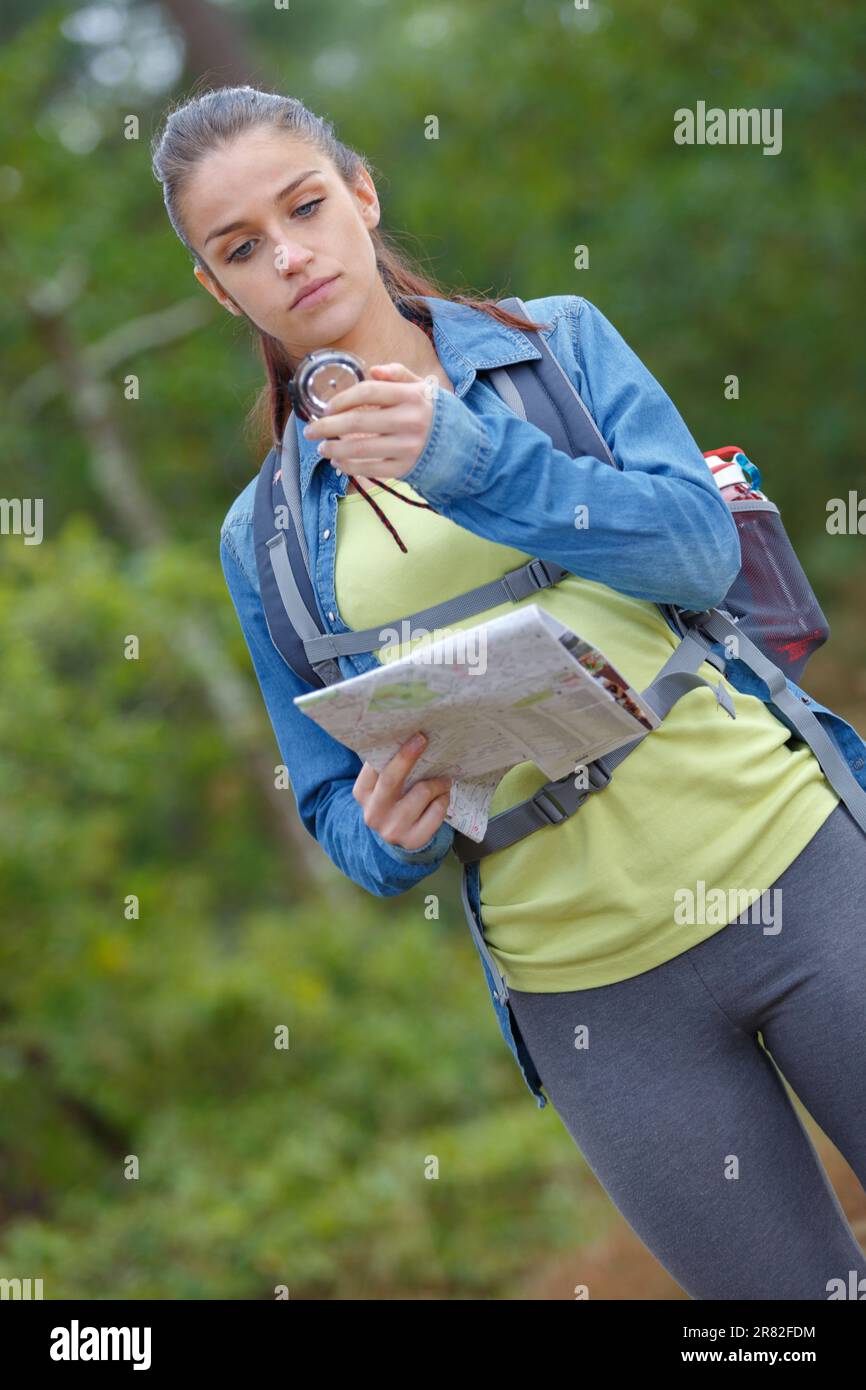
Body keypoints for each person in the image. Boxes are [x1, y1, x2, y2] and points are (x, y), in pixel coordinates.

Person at [152, 85, 866, 1300]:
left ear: (363, 195)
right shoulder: (262, 534)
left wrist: (461, 459)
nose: (288, 254)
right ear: (222, 290)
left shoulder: (555, 347)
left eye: (305, 206)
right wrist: (383, 840)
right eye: (239, 248)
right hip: (593, 1001)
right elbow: (333, 808)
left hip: (793, 872)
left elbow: (699, 551)